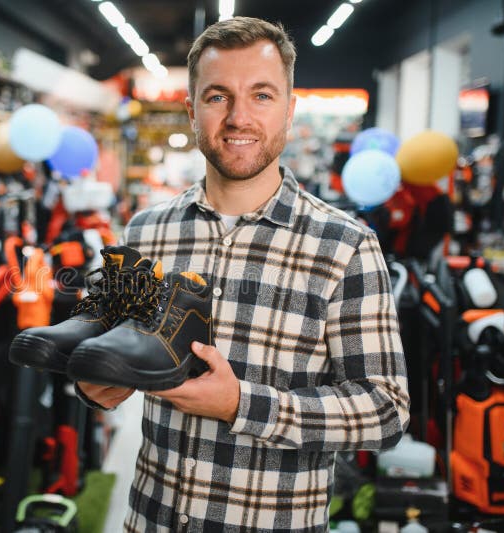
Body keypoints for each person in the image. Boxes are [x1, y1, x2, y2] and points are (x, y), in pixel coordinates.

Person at [77, 16, 410, 532]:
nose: (238, 117)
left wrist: (243, 404)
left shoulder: (346, 245)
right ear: (191, 110)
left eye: (261, 95)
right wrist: (96, 383)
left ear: (289, 110)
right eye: (217, 97)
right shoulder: (145, 231)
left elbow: (386, 410)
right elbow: (110, 354)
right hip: (151, 520)